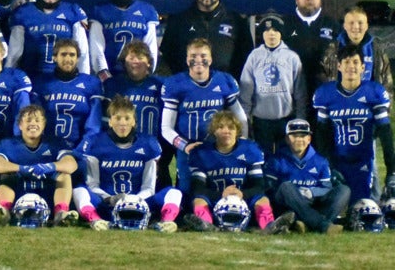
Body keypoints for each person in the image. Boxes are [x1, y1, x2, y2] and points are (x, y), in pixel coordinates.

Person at [72, 95, 182, 232]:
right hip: (108, 203)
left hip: (140, 203)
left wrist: (134, 199)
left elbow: (149, 187)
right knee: (79, 191)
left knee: (174, 193)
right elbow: (93, 185)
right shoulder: (95, 143)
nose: (122, 123)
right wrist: (110, 199)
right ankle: (96, 221)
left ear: (134, 121)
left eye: (127, 118)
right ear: (110, 121)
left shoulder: (148, 144)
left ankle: (166, 222)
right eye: (117, 118)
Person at [160, 38, 248, 193]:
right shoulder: (176, 84)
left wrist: (240, 142)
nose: (198, 59)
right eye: (193, 56)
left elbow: (240, 118)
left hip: (218, 147)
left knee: (218, 190)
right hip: (189, 148)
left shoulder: (223, 81)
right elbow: (166, 127)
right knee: (186, 194)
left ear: (211, 59)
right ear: (187, 60)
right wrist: (184, 146)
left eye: (203, 55)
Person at [184, 111, 294, 234]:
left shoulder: (249, 150)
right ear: (214, 131)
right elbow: (197, 188)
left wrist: (243, 194)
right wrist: (221, 194)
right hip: (215, 197)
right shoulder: (203, 153)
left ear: (237, 131)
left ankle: (269, 227)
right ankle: (206, 225)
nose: (226, 131)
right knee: (199, 200)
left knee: (262, 200)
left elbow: (259, 186)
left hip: (243, 197)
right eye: (220, 127)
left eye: (231, 128)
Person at [313, 44, 395, 205]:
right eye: (347, 62)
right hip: (337, 160)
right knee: (334, 203)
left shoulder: (374, 92)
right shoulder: (326, 93)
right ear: (339, 66)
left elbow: (386, 134)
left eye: (356, 62)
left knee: (362, 206)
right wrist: (326, 164)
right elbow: (322, 134)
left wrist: (391, 170)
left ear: (363, 67)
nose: (351, 66)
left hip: (363, 161)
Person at [0, 105, 79, 227]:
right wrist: (20, 169)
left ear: (44, 125)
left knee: (64, 176)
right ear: (20, 125)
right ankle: (4, 212)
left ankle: (61, 213)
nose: (33, 124)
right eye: (28, 120)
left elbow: (71, 165)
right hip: (18, 189)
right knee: (5, 175)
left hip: (47, 189)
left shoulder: (55, 143)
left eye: (37, 120)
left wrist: (50, 167)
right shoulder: (7, 143)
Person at [104, 41, 172, 190]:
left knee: (162, 189)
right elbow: (106, 120)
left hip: (156, 148)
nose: (135, 61)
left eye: (140, 57)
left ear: (149, 63)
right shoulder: (113, 85)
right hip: (123, 147)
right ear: (124, 62)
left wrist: (163, 152)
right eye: (131, 57)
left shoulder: (163, 86)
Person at [159, 0, 252, 79]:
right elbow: (167, 55)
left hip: (225, 87)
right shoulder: (179, 21)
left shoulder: (237, 21)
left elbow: (246, 56)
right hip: (187, 86)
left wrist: (231, 80)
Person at [264, 119, 348, 235]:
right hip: (288, 206)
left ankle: (303, 223)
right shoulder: (277, 159)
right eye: (294, 136)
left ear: (309, 139)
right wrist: (295, 194)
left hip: (314, 203)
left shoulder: (320, 161)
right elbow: (270, 190)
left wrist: (312, 192)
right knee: (286, 187)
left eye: (303, 136)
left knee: (344, 190)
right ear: (287, 139)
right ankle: (323, 225)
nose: (299, 140)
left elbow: (326, 187)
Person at [239, 13, 307, 155]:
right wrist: (244, 121)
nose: (271, 34)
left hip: (285, 119)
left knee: (286, 158)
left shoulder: (292, 57)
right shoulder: (254, 56)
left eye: (275, 30)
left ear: (281, 33)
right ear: (262, 34)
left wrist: (300, 119)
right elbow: (246, 91)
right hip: (261, 122)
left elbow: (300, 93)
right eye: (267, 30)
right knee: (262, 158)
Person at [6, 0, 89, 80]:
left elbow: (82, 52)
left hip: (63, 78)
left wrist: (84, 79)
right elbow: (14, 53)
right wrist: (8, 77)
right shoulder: (24, 12)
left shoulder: (73, 11)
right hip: (31, 77)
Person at [279, 0, 340, 123]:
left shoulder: (333, 25)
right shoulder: (284, 25)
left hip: (325, 95)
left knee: (322, 140)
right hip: (292, 96)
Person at [89, 0, 160, 81]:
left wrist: (147, 71)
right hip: (110, 75)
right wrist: (104, 75)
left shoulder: (146, 10)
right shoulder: (100, 11)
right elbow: (96, 48)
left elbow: (150, 46)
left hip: (138, 74)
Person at [32, 39, 103, 150]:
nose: (68, 59)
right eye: (63, 54)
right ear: (55, 57)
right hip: (47, 148)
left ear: (78, 58)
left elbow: (94, 125)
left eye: (72, 55)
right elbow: (35, 120)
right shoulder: (41, 83)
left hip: (79, 148)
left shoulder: (91, 83)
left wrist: (82, 149)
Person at [321, 5, 393, 96]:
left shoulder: (377, 50)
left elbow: (387, 85)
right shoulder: (332, 50)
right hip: (339, 107)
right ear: (344, 26)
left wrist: (384, 108)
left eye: (360, 23)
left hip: (368, 107)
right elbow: (324, 82)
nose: (355, 27)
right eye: (351, 23)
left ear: (367, 26)